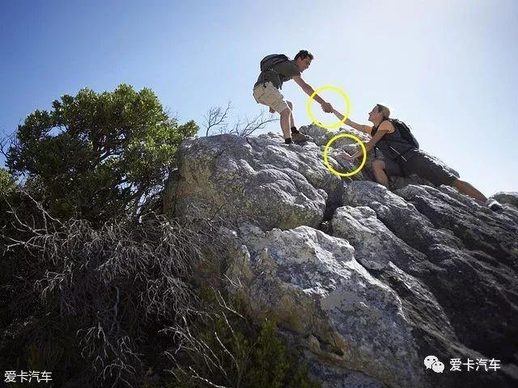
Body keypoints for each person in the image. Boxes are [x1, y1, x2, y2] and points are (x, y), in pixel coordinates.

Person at [333, 104, 503, 211]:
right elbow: (351, 124)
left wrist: (351, 157)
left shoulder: (386, 124)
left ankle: (487, 201)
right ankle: (387, 194)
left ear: (380, 113)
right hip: (400, 165)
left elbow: (370, 144)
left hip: (415, 159)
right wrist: (332, 110)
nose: (369, 112)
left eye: (372, 110)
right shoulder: (374, 129)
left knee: (451, 180)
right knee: (378, 164)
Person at [253, 50, 334, 144]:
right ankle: (288, 141)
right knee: (285, 111)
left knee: (289, 105)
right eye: (306, 63)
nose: (307, 66)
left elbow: (271, 77)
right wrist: (323, 103)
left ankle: (294, 132)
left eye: (309, 64)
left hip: (261, 91)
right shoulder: (292, 66)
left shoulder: (286, 66)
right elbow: (305, 87)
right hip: (265, 88)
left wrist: (272, 104)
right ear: (299, 59)